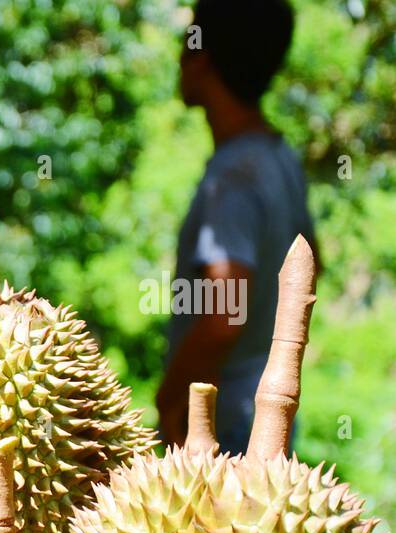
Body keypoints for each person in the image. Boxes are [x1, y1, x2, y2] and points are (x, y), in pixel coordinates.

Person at [155, 0, 315, 453]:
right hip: (269, 411)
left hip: (222, 424)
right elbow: (308, 265)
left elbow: (224, 314)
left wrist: (170, 398)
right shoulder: (280, 158)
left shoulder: (231, 178)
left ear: (202, 59)